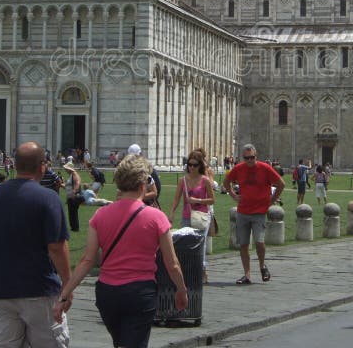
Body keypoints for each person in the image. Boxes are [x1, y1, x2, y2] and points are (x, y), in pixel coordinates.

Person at [54, 154, 187, 348]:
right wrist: (181, 290)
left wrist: (64, 295)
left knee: (121, 342)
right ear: (143, 185)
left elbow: (86, 261)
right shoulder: (156, 218)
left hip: (108, 294)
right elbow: (172, 263)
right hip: (140, 293)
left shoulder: (100, 216)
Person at [0, 141, 71, 347]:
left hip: (1, 289)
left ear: (15, 165)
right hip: (39, 288)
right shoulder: (49, 198)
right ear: (42, 166)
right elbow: (56, 247)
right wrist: (68, 284)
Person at [223, 144, 285, 285]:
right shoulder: (238, 169)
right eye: (247, 158)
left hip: (259, 212)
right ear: (243, 158)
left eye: (252, 157)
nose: (250, 160)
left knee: (259, 242)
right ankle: (247, 275)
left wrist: (272, 200)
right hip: (243, 211)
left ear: (256, 156)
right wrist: (233, 195)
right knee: (243, 244)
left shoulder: (265, 168)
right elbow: (226, 182)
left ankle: (262, 266)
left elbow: (281, 184)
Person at [169, 150, 215, 280]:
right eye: (190, 164)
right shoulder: (182, 180)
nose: (192, 167)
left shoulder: (205, 180)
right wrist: (171, 213)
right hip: (186, 215)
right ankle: (188, 272)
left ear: (200, 166)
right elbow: (176, 199)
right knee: (185, 244)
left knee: (200, 244)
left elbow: (212, 200)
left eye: (195, 165)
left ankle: (202, 271)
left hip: (201, 216)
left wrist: (198, 200)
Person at [63, 164, 83, 232]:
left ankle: (75, 228)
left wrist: (74, 192)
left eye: (66, 169)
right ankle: (73, 227)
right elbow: (67, 186)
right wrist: (60, 184)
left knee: (73, 212)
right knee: (71, 212)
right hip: (70, 197)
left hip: (73, 197)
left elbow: (77, 183)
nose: (65, 170)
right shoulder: (71, 175)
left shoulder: (74, 174)